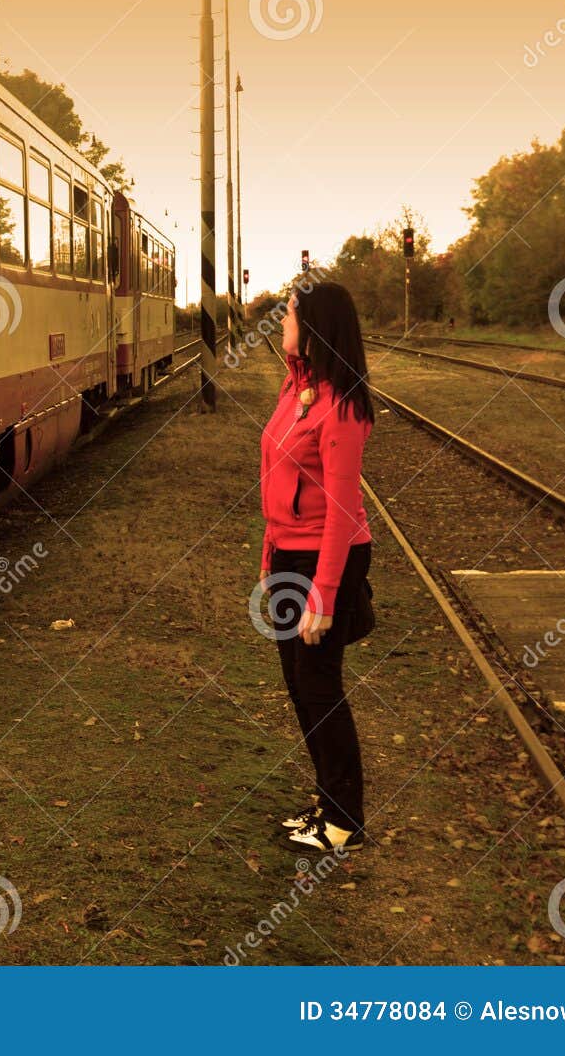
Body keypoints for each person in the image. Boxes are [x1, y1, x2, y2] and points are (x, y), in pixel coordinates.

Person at [259, 282, 375, 852]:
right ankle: (328, 803)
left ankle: (345, 822)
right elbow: (275, 481)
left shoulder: (343, 408)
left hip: (328, 557)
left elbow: (343, 511)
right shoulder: (295, 388)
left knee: (320, 686)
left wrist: (322, 596)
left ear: (315, 326)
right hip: (288, 555)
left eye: (291, 314)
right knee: (299, 687)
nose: (282, 321)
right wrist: (269, 558)